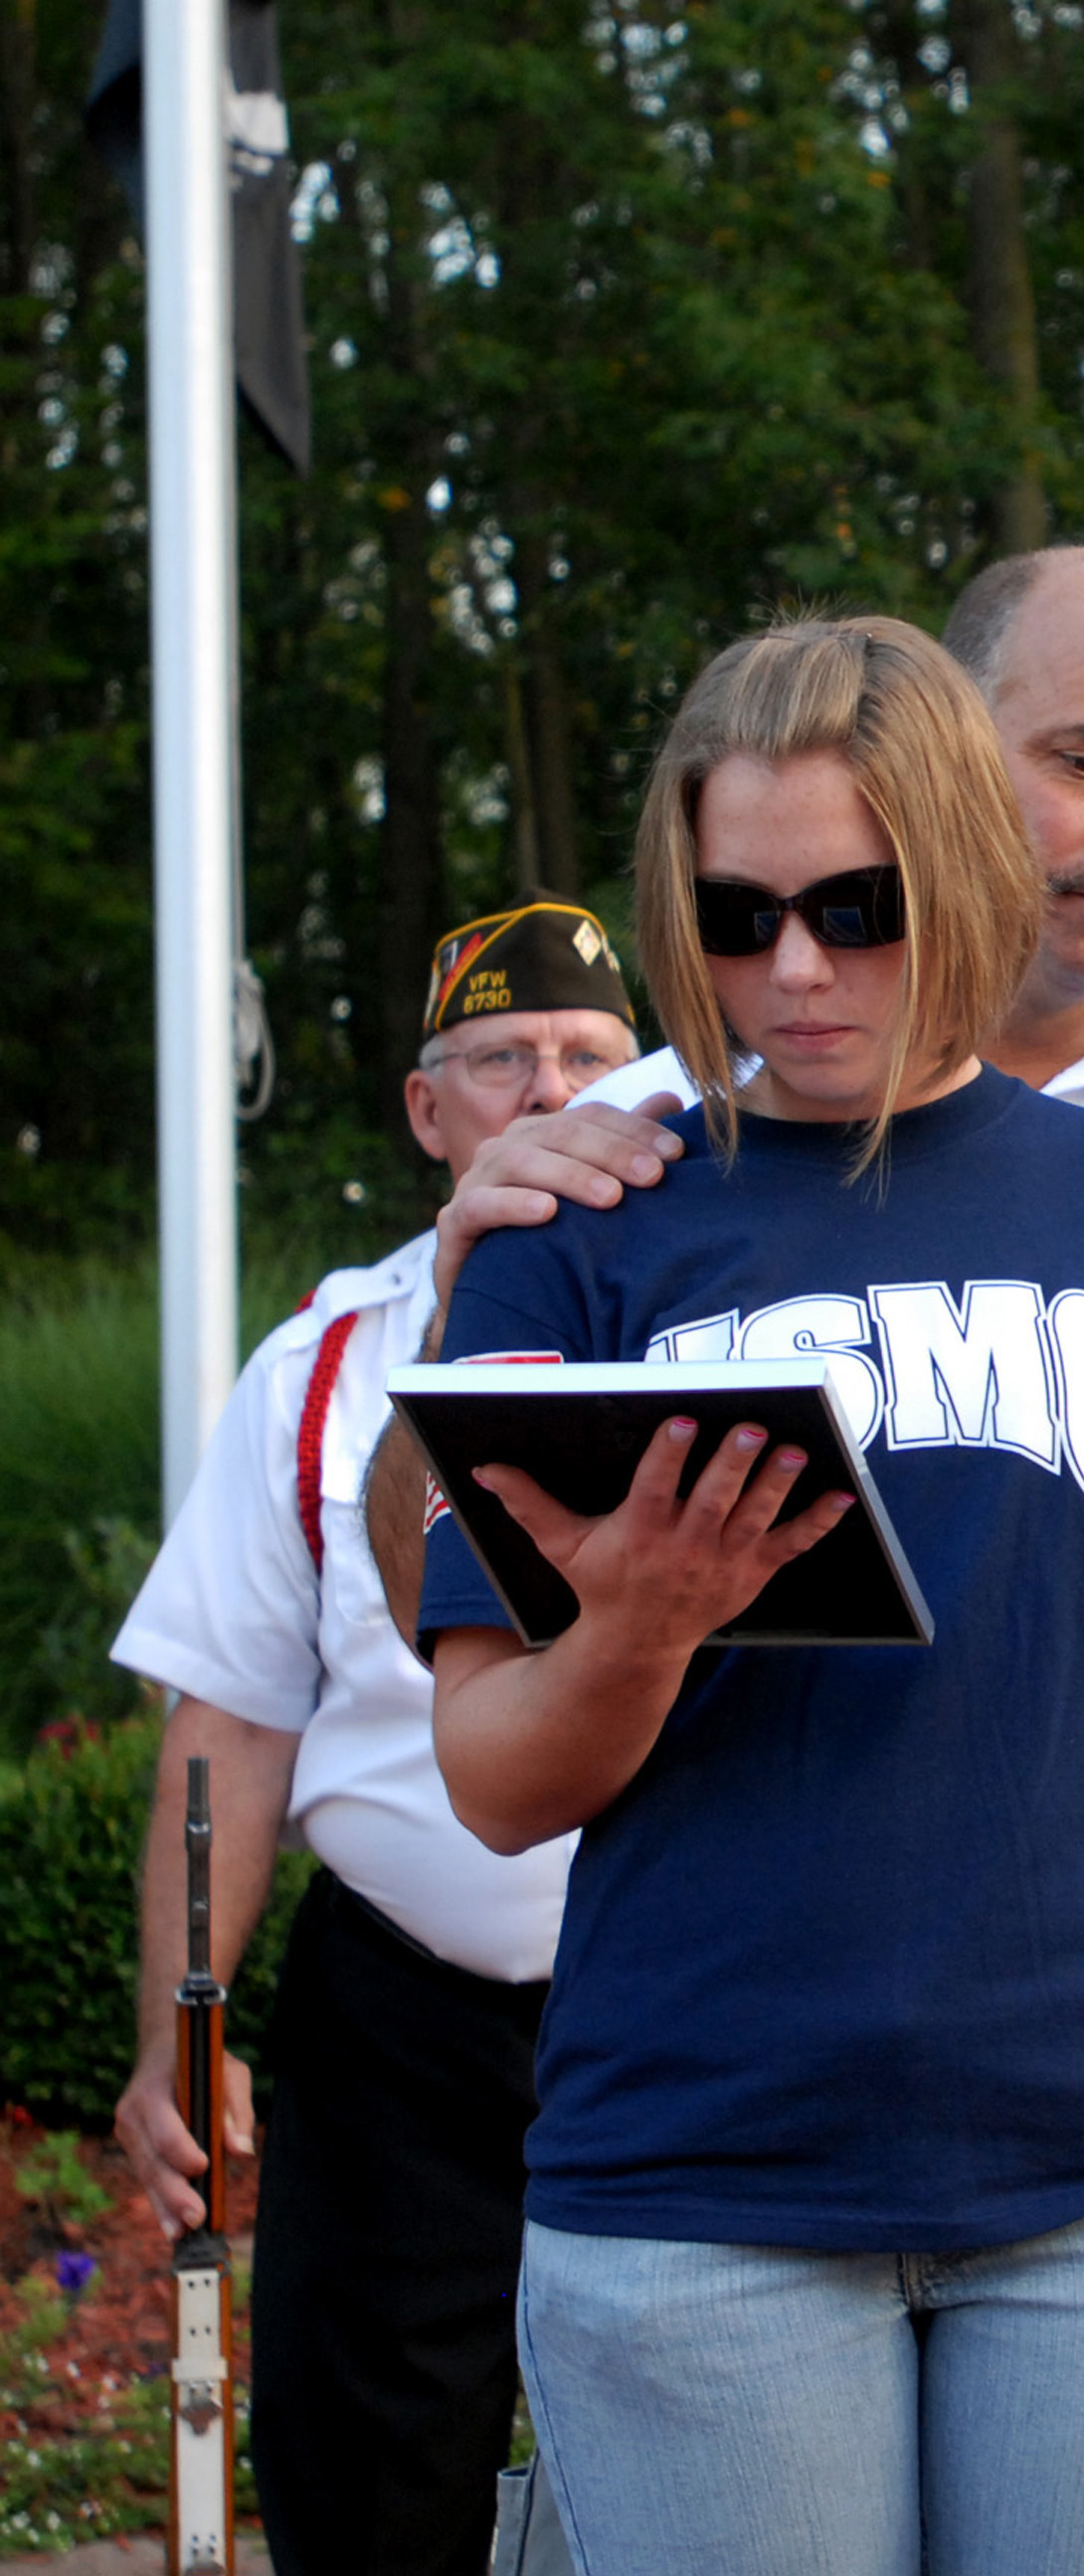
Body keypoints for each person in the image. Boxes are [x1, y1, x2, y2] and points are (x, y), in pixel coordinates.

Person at [413, 615, 1084, 2570]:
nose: (793, 970)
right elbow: (493, 1776)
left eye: (858, 905)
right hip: (697, 2185)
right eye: (734, 916)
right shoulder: (583, 1233)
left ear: (966, 869)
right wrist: (640, 1625)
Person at [103, 905, 637, 2576]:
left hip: (675, 1996)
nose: (547, 1093)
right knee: (374, 2491)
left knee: (714, 2477)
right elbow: (231, 1732)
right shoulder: (326, 1361)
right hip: (399, 2026)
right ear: (430, 1111)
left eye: (590, 1061)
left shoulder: (727, 1312)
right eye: (501, 1061)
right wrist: (171, 2042)